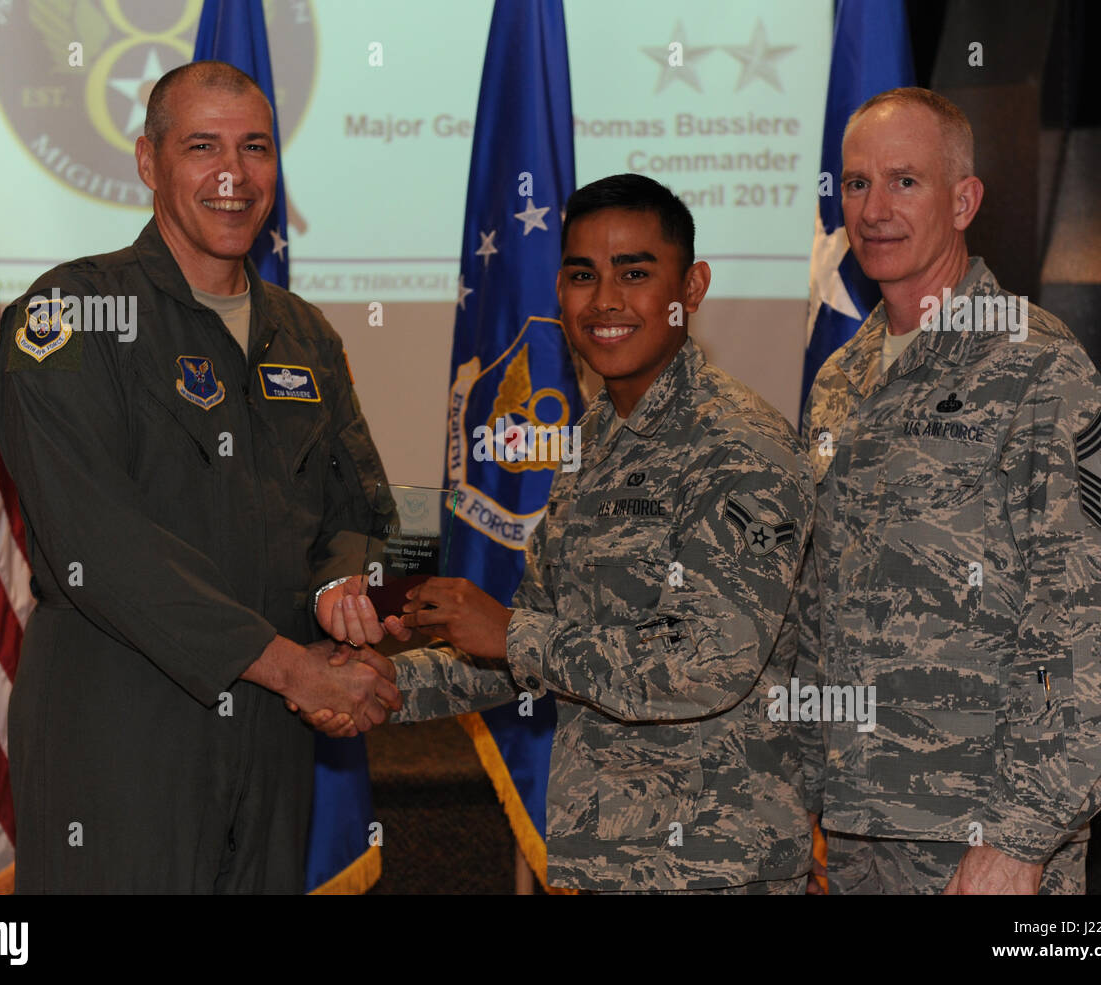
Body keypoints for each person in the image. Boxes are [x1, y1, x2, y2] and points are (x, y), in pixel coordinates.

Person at [307, 173, 816, 892]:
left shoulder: (740, 445)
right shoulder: (597, 437)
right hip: (606, 860)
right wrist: (388, 682)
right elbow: (539, 640)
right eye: (583, 275)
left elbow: (706, 662)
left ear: (692, 287)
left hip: (717, 868)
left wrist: (512, 632)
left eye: (634, 273)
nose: (604, 300)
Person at [0, 61, 400, 893]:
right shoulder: (69, 314)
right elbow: (99, 547)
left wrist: (342, 585)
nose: (233, 174)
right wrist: (295, 668)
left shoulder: (305, 334)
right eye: (203, 146)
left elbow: (358, 509)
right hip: (124, 730)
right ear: (149, 161)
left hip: (275, 734)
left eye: (255, 147)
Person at [791, 87, 1101, 894]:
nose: (874, 209)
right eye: (856, 183)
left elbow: (1090, 622)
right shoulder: (841, 379)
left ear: (963, 200)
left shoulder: (1037, 365)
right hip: (854, 837)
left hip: (981, 840)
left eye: (905, 181)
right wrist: (806, 794)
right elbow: (819, 609)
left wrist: (1020, 837)